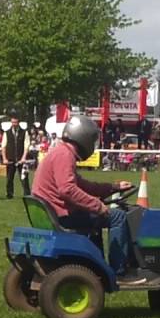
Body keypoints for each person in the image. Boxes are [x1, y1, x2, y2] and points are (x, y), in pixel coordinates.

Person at [32, 115, 143, 285]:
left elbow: (80, 184)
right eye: (92, 140)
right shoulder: (65, 155)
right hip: (63, 216)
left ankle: (96, 266)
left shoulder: (61, 151)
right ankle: (120, 271)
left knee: (98, 218)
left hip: (54, 212)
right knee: (119, 217)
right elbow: (67, 189)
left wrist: (112, 187)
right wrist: (97, 205)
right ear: (83, 137)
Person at [1, 112, 31, 199]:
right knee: (9, 178)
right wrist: (4, 158)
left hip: (21, 158)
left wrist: (23, 157)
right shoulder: (7, 133)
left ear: (18, 122)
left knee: (24, 178)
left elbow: (26, 146)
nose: (14, 124)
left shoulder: (24, 132)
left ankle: (27, 194)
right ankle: (9, 194)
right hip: (10, 158)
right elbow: (3, 146)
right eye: (13, 122)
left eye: (15, 122)